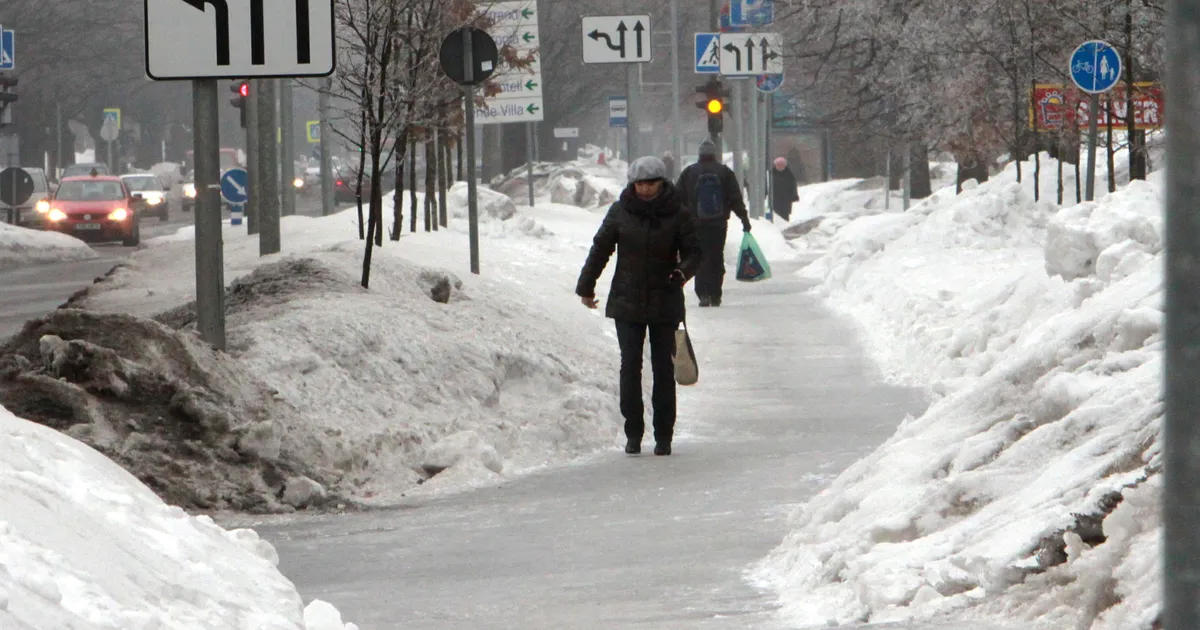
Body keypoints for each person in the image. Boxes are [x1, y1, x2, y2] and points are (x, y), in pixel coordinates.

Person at [576, 156, 703, 457]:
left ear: (662, 183)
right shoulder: (620, 211)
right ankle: (633, 431)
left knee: (663, 367)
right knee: (630, 365)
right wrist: (586, 286)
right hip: (627, 300)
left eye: (651, 184)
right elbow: (601, 248)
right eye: (640, 184)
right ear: (632, 184)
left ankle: (664, 435)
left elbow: (695, 252)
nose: (645, 189)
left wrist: (682, 271)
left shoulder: (678, 213)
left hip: (666, 298)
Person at [676, 139, 750, 307]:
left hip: (695, 223)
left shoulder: (689, 173)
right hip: (718, 224)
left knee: (699, 257)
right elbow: (735, 199)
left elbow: (677, 198)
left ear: (700, 154)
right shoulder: (724, 172)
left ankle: (703, 294)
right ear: (714, 154)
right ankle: (715, 293)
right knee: (716, 257)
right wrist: (744, 219)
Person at [770, 157, 800, 222]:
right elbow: (767, 185)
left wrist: (794, 195)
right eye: (778, 165)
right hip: (775, 198)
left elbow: (793, 186)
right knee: (775, 214)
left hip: (786, 199)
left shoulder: (789, 174)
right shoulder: (771, 174)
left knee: (784, 214)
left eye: (782, 165)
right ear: (775, 166)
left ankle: (784, 225)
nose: (780, 167)